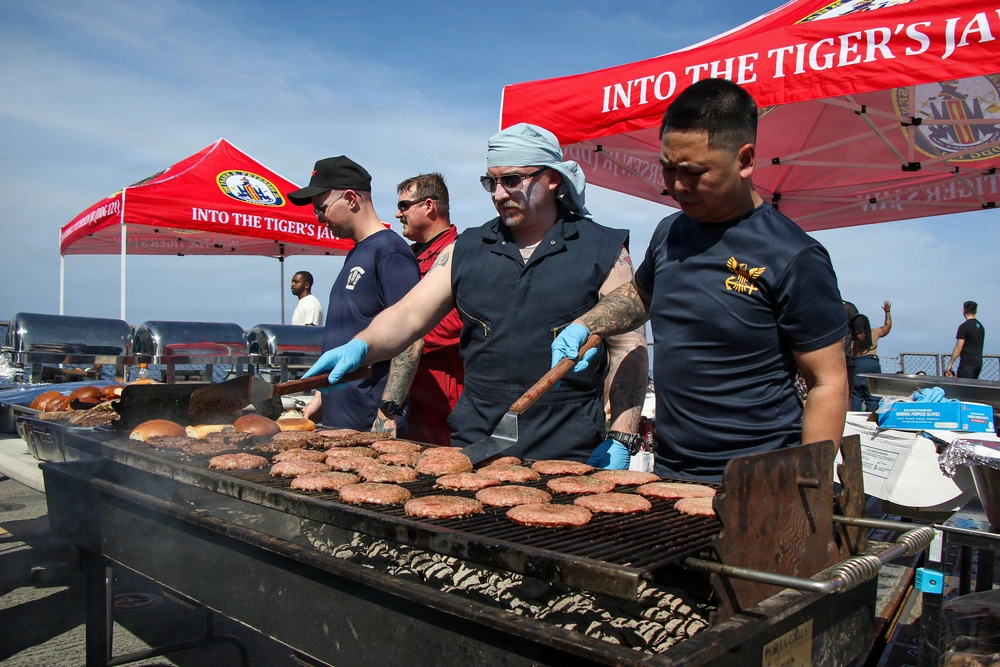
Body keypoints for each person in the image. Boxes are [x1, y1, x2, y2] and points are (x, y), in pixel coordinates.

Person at [551, 79, 848, 482]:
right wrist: (588, 324)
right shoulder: (670, 232)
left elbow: (827, 382)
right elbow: (643, 294)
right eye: (668, 168)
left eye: (692, 172)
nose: (676, 186)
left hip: (759, 474)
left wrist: (807, 485)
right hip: (672, 467)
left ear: (744, 161)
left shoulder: (793, 255)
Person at [301, 124, 648, 465]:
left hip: (568, 448)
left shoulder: (603, 249)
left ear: (552, 178)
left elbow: (628, 346)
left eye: (512, 180)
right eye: (491, 182)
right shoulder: (465, 249)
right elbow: (409, 314)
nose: (498, 194)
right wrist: (362, 345)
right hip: (474, 447)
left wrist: (621, 434)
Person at [287, 156, 421, 433]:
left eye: (322, 209)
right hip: (339, 416)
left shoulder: (390, 252)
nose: (320, 219)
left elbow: (411, 336)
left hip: (369, 419)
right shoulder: (358, 252)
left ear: (350, 198)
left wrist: (388, 411)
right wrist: (320, 397)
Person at [392, 173, 464, 446]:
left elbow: (460, 320)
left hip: (442, 389)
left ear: (428, 206)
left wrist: (396, 336)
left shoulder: (461, 252)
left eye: (403, 206)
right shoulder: (404, 256)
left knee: (440, 466)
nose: (398, 214)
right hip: (406, 388)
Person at [850, 301, 892, 411]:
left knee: (855, 395)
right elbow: (887, 326)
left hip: (857, 364)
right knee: (873, 394)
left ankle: (854, 419)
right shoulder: (874, 333)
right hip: (872, 364)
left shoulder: (851, 339)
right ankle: (872, 418)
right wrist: (887, 312)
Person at [945, 301, 986, 379]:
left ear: (964, 311)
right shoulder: (980, 327)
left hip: (967, 363)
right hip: (978, 362)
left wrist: (951, 363)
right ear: (976, 311)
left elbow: (958, 347)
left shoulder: (964, 327)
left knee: (964, 388)